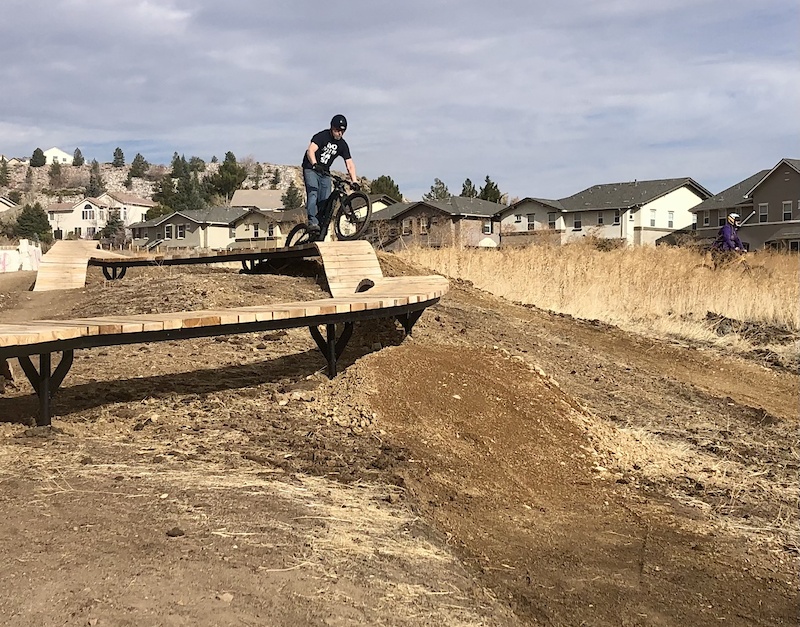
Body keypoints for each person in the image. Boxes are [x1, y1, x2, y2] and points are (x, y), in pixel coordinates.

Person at [301, 114, 360, 240]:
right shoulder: (322, 136)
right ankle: (313, 222)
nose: (340, 133)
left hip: (325, 172)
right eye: (337, 130)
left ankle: (321, 226)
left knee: (326, 200)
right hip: (311, 168)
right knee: (313, 193)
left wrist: (354, 180)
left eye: (342, 131)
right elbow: (310, 150)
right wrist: (315, 164)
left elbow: (349, 163)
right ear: (332, 128)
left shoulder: (342, 144)